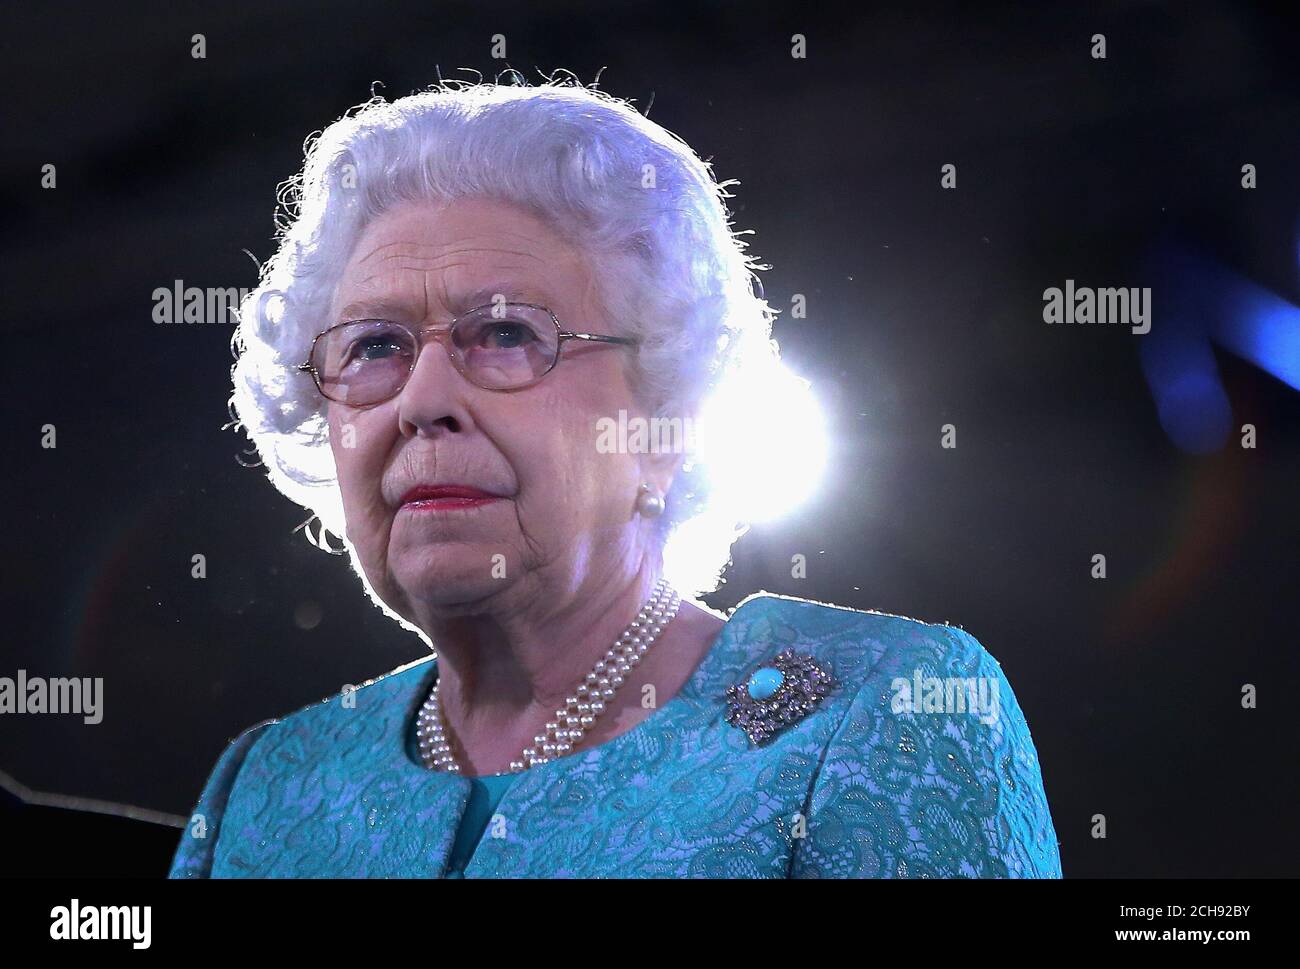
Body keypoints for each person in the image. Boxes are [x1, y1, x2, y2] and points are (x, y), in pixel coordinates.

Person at [169, 79, 1062, 878]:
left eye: (508, 333)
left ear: (668, 419)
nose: (422, 399)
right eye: (373, 347)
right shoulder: (266, 784)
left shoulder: (875, 706)